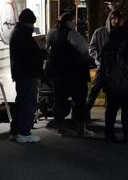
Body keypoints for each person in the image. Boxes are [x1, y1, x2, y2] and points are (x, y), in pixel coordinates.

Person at [99, 19, 128, 142]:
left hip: (112, 80)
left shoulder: (111, 42)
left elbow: (103, 62)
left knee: (111, 108)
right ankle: (127, 134)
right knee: (127, 109)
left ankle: (109, 133)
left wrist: (104, 80)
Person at [46, 12, 92, 137]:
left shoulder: (52, 33)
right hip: (74, 73)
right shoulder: (73, 35)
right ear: (68, 22)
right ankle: (81, 129)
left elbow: (47, 49)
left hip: (56, 73)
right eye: (73, 21)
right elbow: (84, 51)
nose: (75, 24)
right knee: (80, 100)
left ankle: (61, 128)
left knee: (60, 100)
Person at [9, 8, 44, 143]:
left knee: (20, 102)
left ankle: (15, 131)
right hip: (28, 73)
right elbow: (30, 56)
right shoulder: (24, 35)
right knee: (28, 103)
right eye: (32, 23)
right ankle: (24, 132)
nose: (32, 26)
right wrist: (42, 51)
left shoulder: (17, 32)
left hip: (20, 73)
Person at [86, 10, 123, 113]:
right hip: (102, 67)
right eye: (114, 18)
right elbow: (91, 48)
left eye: (118, 19)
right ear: (109, 19)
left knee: (112, 95)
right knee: (93, 92)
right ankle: (84, 114)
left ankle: (109, 117)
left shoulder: (121, 33)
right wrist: (99, 57)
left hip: (114, 69)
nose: (116, 21)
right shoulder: (100, 32)